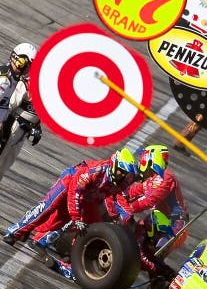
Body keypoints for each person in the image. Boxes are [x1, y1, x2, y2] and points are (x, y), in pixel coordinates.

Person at [3, 148, 137, 248]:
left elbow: (118, 199)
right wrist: (76, 217)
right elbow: (75, 192)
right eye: (121, 170)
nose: (122, 175)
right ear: (114, 164)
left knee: (58, 222)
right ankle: (14, 232)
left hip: (85, 195)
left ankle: (34, 233)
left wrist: (126, 217)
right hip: (69, 182)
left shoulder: (121, 182)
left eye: (125, 173)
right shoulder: (94, 171)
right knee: (47, 208)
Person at [107, 144, 188, 285]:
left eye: (143, 160)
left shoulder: (165, 178)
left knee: (137, 249)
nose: (140, 164)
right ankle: (163, 284)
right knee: (145, 253)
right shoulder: (155, 179)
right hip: (165, 223)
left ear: (151, 160)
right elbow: (134, 192)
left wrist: (125, 209)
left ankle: (170, 277)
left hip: (173, 226)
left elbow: (148, 201)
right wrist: (115, 195)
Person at [0, 42, 40, 183]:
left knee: (5, 164)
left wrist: (36, 127)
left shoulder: (14, 78)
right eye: (26, 65)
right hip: (12, 127)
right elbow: (10, 105)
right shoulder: (8, 79)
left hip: (21, 132)